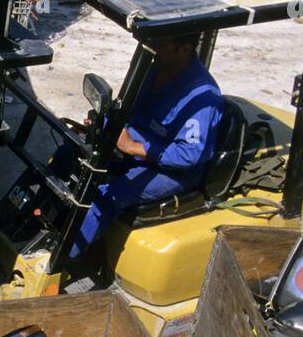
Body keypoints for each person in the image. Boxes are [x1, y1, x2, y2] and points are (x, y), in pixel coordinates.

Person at [59, 34, 224, 265]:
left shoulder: (202, 98)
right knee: (69, 154)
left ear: (184, 50)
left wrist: (132, 146)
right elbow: (131, 112)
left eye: (162, 45)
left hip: (174, 170)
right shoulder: (154, 69)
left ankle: (60, 262)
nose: (154, 50)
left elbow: (188, 155)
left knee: (106, 195)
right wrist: (105, 124)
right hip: (136, 149)